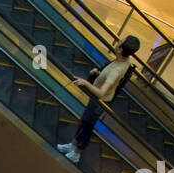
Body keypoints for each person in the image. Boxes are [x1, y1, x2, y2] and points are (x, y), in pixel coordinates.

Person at [57, 34, 141, 163]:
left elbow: (101, 93)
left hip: (100, 101)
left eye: (120, 42)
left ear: (120, 49)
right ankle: (73, 145)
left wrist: (86, 83)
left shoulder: (116, 71)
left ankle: (77, 153)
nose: (117, 42)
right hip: (100, 98)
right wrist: (98, 74)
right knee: (84, 121)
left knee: (87, 126)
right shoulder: (124, 60)